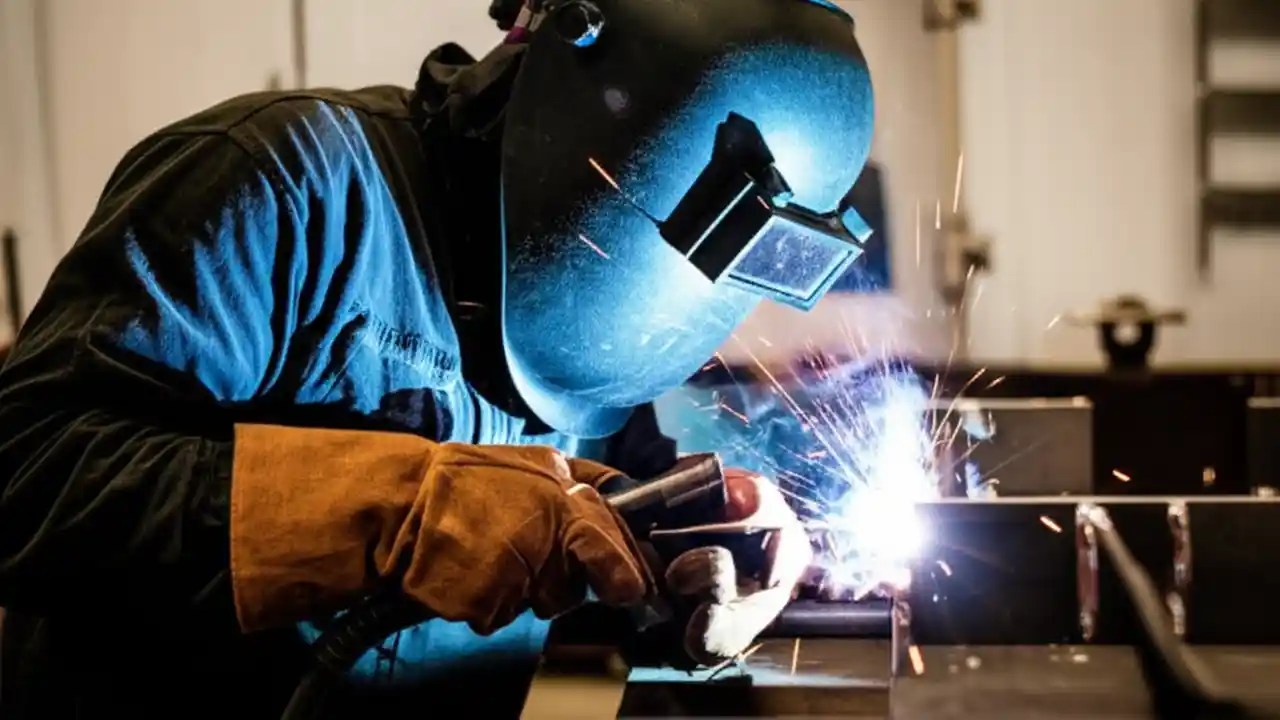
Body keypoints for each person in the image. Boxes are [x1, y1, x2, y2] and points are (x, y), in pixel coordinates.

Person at [0, 0, 875, 716]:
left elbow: (606, 527)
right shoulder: (288, 184)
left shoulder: (596, 321)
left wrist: (699, 576)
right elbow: (27, 471)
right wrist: (389, 508)